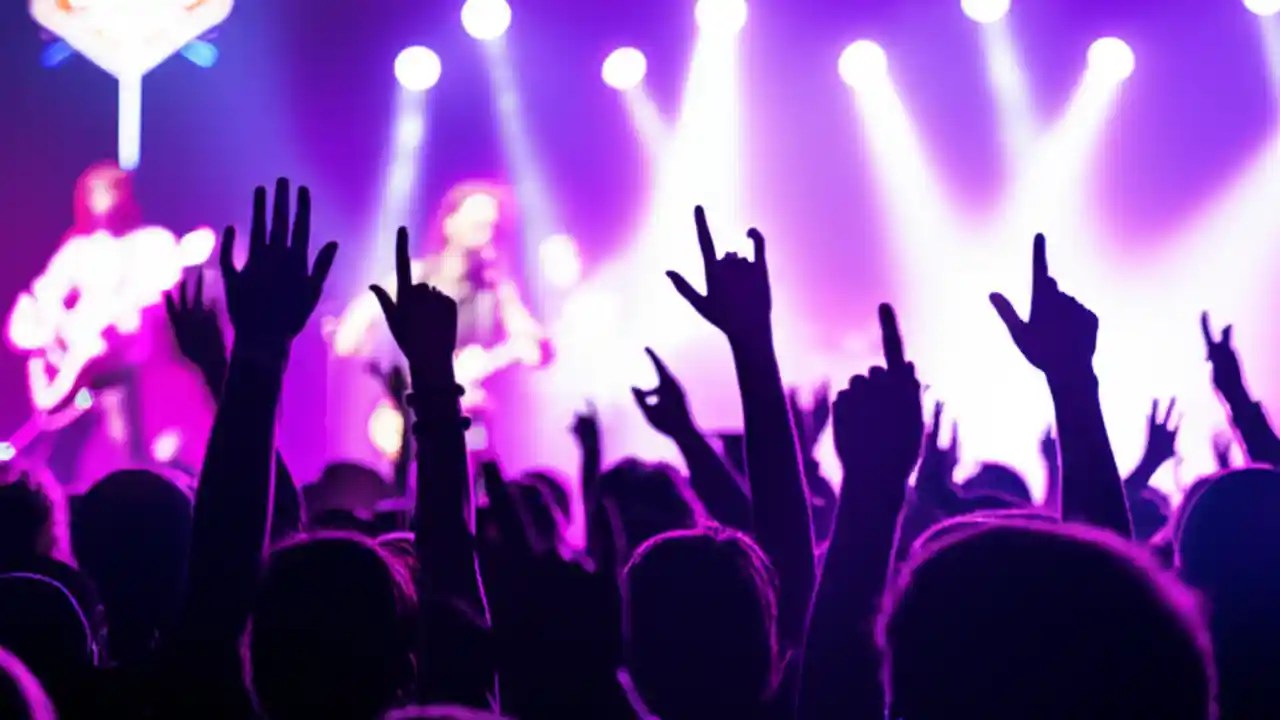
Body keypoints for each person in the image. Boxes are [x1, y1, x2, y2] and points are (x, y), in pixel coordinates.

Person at [5, 161, 214, 486]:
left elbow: (160, 310)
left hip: (137, 375)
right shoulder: (77, 251)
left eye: (110, 193)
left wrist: (123, 318)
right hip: (85, 382)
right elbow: (31, 312)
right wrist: (57, 333)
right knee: (73, 463)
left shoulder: (154, 244)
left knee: (128, 457)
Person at [331, 181, 551, 448]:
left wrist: (525, 347)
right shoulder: (418, 274)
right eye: (477, 219)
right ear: (450, 222)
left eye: (492, 224)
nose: (487, 227)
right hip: (408, 412)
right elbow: (354, 327)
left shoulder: (496, 288)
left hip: (465, 418)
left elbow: (536, 349)